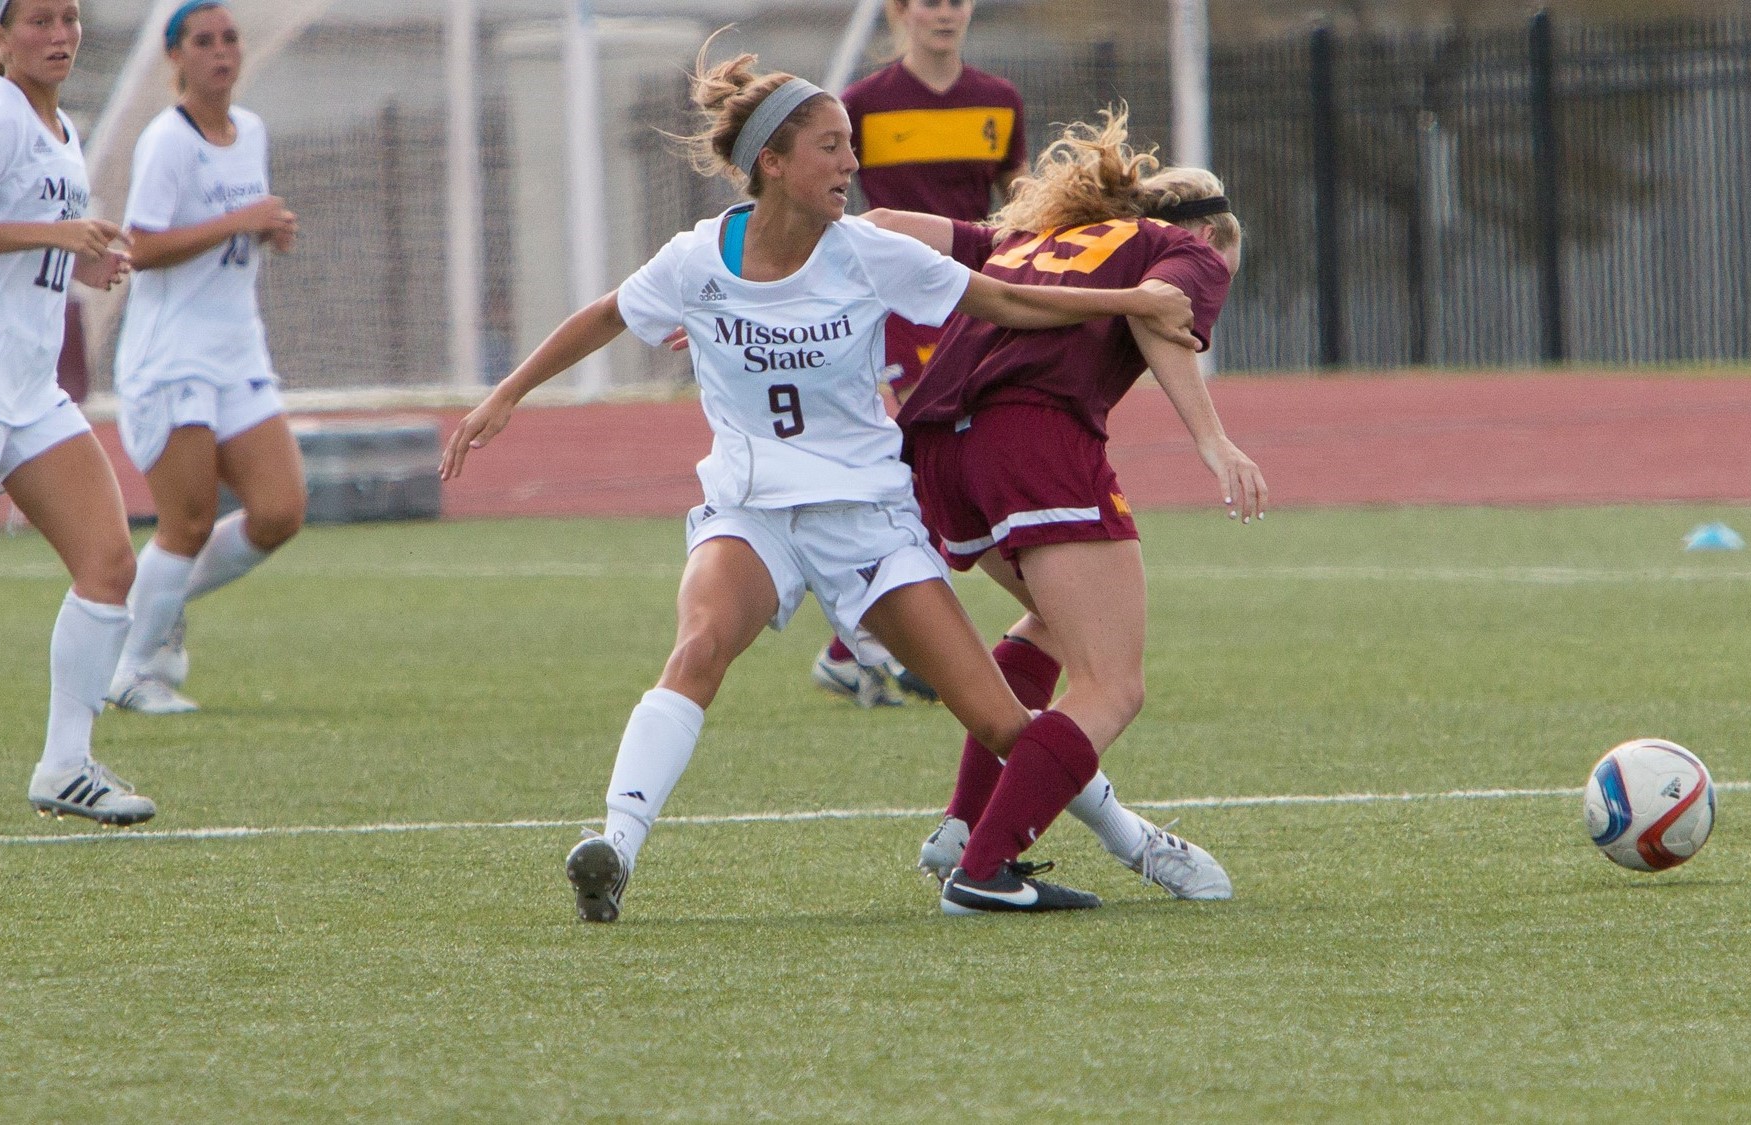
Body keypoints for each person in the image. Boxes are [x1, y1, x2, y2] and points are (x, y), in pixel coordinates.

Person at [440, 46, 1203, 921]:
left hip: (869, 522)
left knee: (1001, 725)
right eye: (832, 147)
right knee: (697, 648)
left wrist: (1130, 303)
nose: (852, 163)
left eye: (850, 146)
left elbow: (1002, 300)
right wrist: (507, 394)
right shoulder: (697, 259)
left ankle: (1135, 840)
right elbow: (608, 314)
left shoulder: (867, 252)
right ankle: (614, 846)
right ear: (773, 162)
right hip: (751, 512)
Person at [871, 108, 1267, 914]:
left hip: (935, 448)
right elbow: (1162, 310)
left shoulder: (1034, 238)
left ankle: (963, 824)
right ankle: (984, 870)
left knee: (1054, 627)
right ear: (1215, 235)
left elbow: (878, 224)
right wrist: (1214, 441)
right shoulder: (1188, 248)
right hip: (1031, 435)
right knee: (1112, 683)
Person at [813, 0, 1027, 708]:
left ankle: (853, 646)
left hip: (970, 307)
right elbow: (826, 211)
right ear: (900, 12)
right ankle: (866, 639)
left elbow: (1020, 210)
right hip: (897, 314)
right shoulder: (862, 106)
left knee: (937, 468)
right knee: (917, 467)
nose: (945, 13)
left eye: (956, 0)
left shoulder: (998, 102)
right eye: (928, 1)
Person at [106, 0, 304, 715]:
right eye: (203, 41)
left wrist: (266, 232)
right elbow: (141, 247)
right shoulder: (167, 141)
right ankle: (130, 668)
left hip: (236, 348)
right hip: (172, 357)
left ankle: (155, 604)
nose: (221, 51)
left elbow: (236, 232)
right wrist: (240, 220)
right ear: (176, 57)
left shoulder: (250, 131)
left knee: (280, 509)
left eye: (229, 39)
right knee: (184, 522)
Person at [0, 0, 152, 824]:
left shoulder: (61, 129)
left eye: (69, 17)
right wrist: (58, 237)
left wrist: (77, 263)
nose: (59, 35)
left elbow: (36, 238)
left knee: (110, 564)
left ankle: (65, 763)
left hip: (28, 391)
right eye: (38, 20)